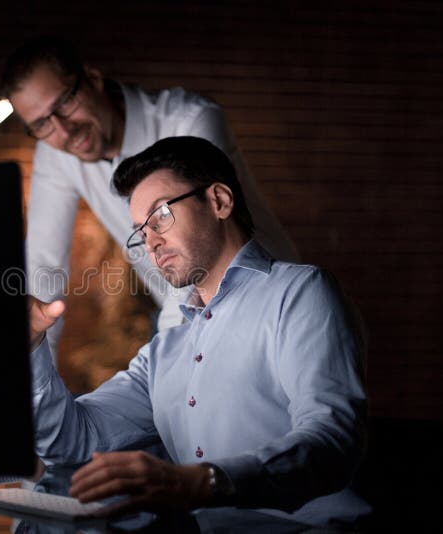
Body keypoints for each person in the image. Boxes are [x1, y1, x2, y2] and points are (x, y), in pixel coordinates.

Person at [26, 137, 369, 528]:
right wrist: (32, 345)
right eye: (140, 231)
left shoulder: (299, 292)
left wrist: (203, 482)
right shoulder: (165, 350)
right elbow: (71, 443)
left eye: (160, 216)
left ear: (219, 201)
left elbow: (332, 441)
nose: (151, 242)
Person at [3, 36, 299, 338]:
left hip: (273, 304)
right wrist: (29, 355)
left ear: (93, 78)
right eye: (41, 124)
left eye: (66, 102)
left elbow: (201, 247)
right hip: (185, 322)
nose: (64, 130)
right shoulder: (55, 154)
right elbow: (43, 267)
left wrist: (168, 349)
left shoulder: (190, 120)